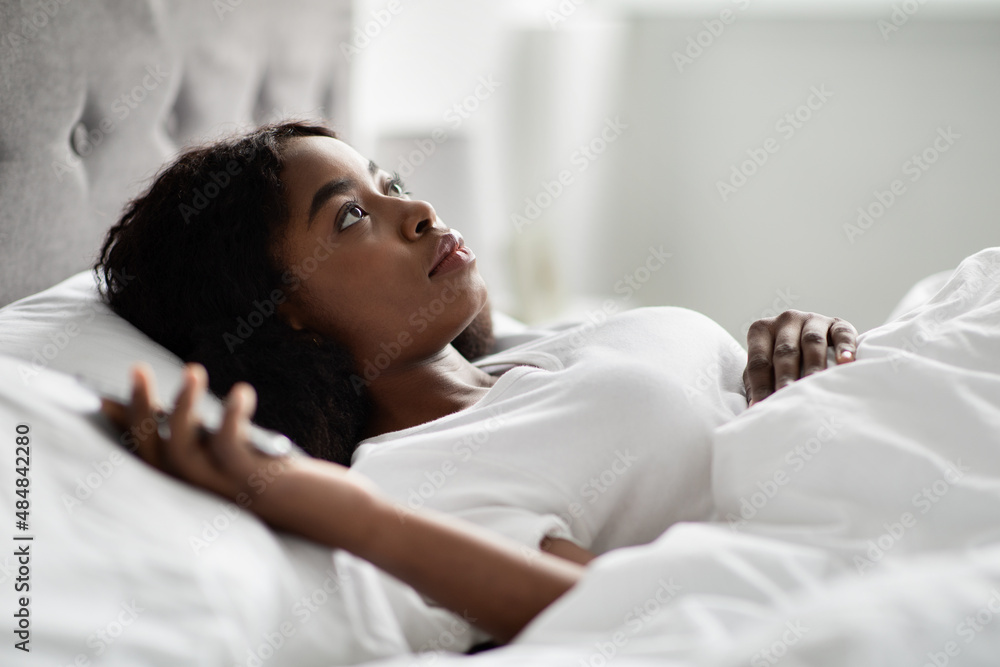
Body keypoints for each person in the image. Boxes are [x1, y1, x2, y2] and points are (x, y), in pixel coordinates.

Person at [97, 120, 857, 642]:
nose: (419, 209)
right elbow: (632, 616)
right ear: (278, 313)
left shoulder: (543, 352)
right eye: (353, 216)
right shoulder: (421, 471)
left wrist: (800, 357)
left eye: (388, 181)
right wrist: (319, 504)